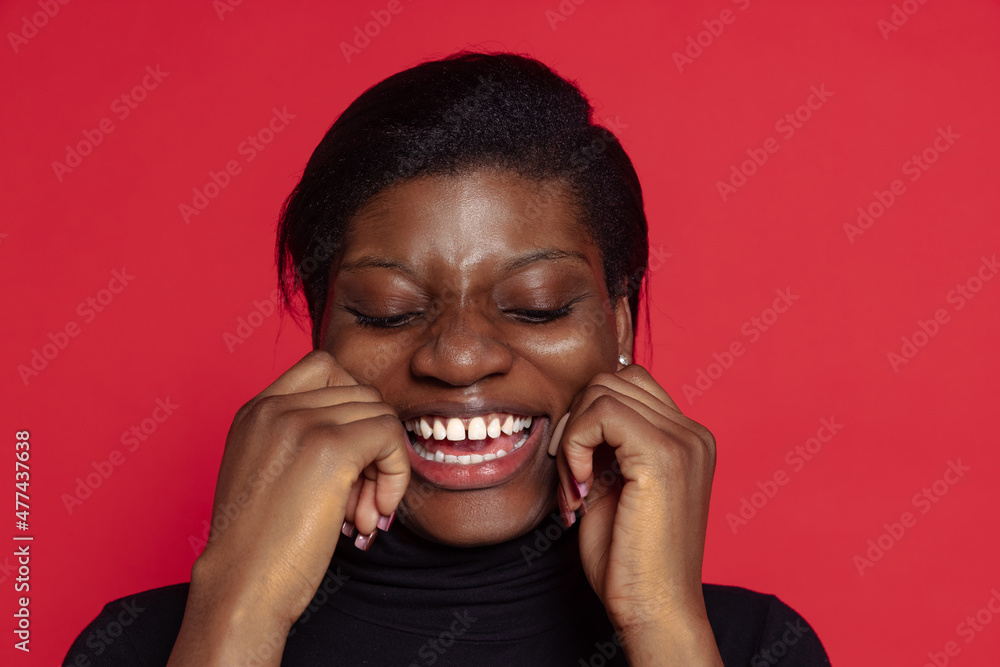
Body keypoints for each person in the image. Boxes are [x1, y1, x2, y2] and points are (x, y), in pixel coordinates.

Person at [66, 51, 830, 666]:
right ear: (322, 333)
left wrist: (660, 621)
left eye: (536, 305)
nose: (459, 357)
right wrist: (237, 612)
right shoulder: (143, 644)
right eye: (388, 311)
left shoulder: (750, 645)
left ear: (617, 323)